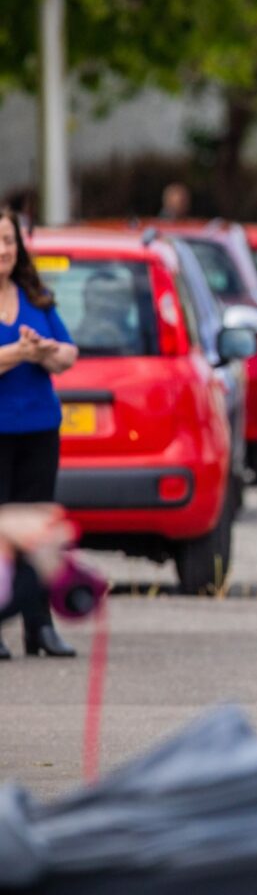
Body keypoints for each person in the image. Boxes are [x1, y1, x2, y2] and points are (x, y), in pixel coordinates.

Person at [0, 209, 79, 658]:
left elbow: (68, 353)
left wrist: (47, 351)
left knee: (37, 529)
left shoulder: (35, 295)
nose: (3, 250)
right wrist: (19, 351)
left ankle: (40, 626)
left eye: (9, 240)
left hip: (38, 430)